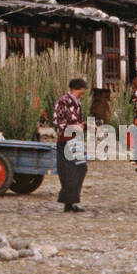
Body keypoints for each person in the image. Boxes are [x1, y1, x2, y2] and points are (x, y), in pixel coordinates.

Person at [54, 77, 89, 213]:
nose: (82, 96)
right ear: (74, 89)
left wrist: (86, 125)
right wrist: (75, 127)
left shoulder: (77, 103)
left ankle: (70, 201)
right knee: (68, 171)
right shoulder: (63, 102)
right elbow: (58, 122)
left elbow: (79, 122)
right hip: (65, 140)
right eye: (81, 93)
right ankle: (69, 203)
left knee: (81, 169)